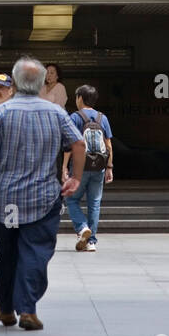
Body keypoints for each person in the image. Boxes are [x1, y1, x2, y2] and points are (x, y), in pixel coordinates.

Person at [0, 56, 85, 331]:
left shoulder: (0, 113)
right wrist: (76, 178)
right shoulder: (56, 112)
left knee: (8, 253)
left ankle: (6, 307)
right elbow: (79, 145)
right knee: (35, 253)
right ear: (40, 82)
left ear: (16, 82)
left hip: (6, 201)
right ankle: (28, 309)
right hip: (43, 200)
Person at [62, 84, 112, 252]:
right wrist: (110, 167)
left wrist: (64, 167)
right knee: (95, 203)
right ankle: (91, 242)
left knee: (71, 199)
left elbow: (71, 144)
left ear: (80, 99)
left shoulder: (75, 117)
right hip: (99, 167)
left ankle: (82, 228)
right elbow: (108, 145)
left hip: (80, 167)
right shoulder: (102, 118)